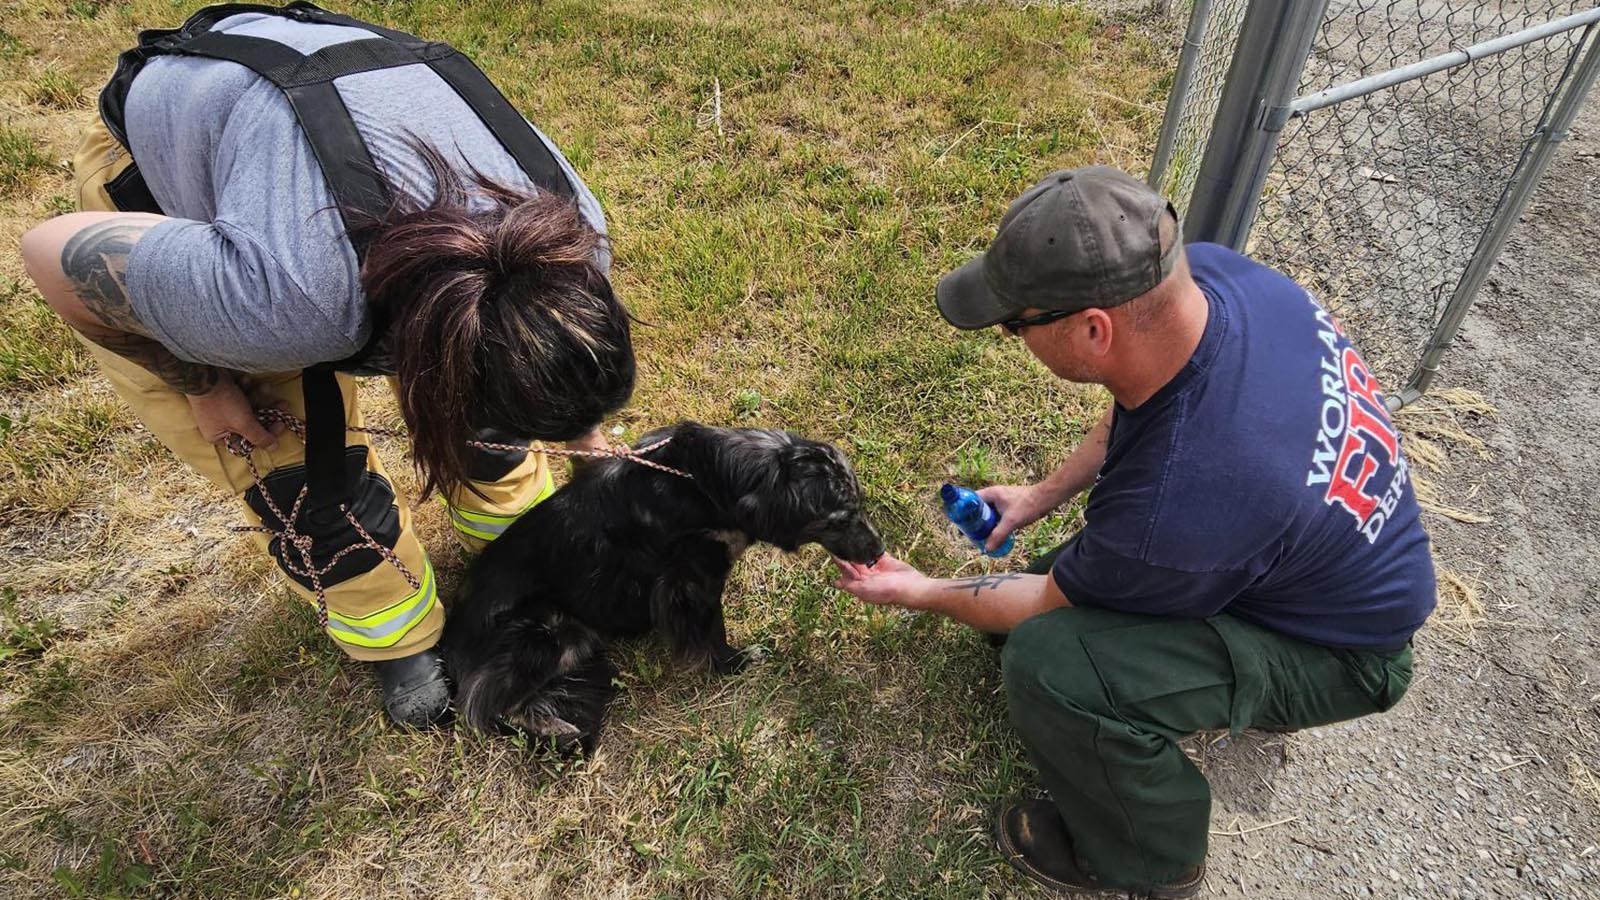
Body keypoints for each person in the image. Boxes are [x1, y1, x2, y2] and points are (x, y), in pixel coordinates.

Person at [19, 3, 635, 728]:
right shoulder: (281, 302)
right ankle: (393, 628)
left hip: (311, 127)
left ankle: (512, 532)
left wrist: (584, 436)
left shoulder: (572, 241)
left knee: (504, 404)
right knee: (289, 459)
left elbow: (549, 365)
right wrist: (207, 383)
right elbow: (50, 252)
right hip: (169, 169)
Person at [833, 167, 1436, 897]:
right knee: (1070, 597)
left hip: (1345, 655)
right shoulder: (1206, 283)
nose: (1009, 336)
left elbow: (1044, 606)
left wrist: (922, 590)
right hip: (1304, 556)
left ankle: (1149, 858)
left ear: (1094, 329)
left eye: (1015, 324)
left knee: (1051, 664)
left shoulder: (1181, 506)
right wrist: (1040, 496)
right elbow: (1136, 403)